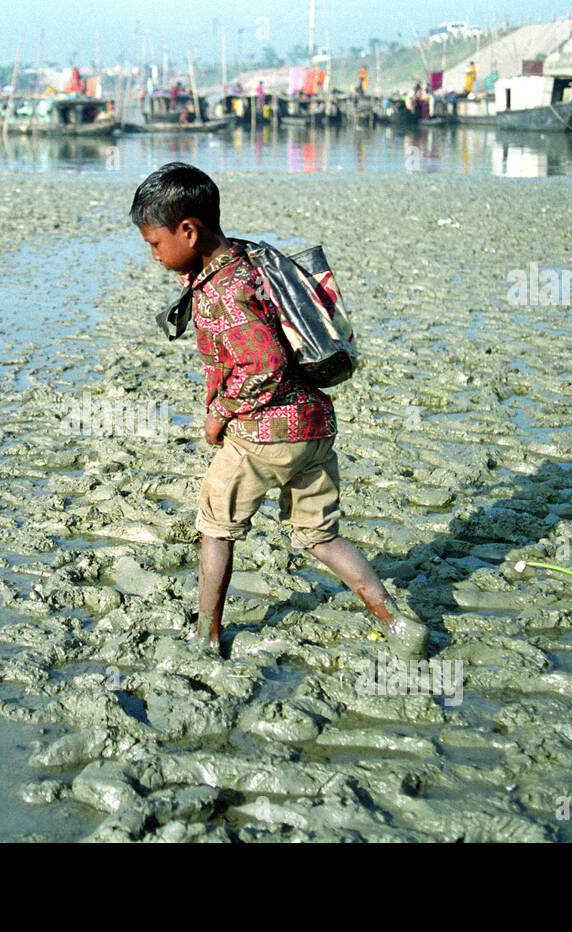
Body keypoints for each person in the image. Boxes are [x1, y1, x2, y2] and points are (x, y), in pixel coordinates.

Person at [128, 162, 431, 659]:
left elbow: (262, 363)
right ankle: (396, 623)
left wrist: (220, 413)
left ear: (188, 230)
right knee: (321, 535)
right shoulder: (249, 259)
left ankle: (206, 635)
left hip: (264, 436)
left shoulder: (222, 294)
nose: (155, 254)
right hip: (314, 424)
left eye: (155, 243)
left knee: (215, 524)